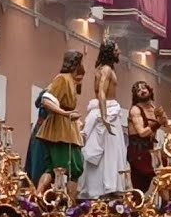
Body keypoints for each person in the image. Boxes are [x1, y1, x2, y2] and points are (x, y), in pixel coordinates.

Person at [27, 51, 86, 194]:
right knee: (74, 168)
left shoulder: (69, 81)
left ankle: (37, 196)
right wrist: (64, 113)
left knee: (53, 169)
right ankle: (68, 204)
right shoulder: (62, 79)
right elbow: (46, 99)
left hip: (67, 130)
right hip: (61, 131)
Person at [80, 40, 126, 199]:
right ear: (110, 52)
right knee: (108, 153)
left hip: (108, 111)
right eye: (117, 50)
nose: (119, 52)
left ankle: (108, 186)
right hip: (107, 112)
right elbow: (101, 92)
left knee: (111, 151)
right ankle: (107, 187)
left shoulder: (103, 69)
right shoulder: (106, 70)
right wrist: (105, 116)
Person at [127, 81, 166, 193]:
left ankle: (166, 205)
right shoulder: (135, 110)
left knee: (164, 171)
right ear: (135, 95)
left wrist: (163, 118)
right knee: (157, 174)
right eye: (138, 90)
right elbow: (142, 133)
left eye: (144, 88)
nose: (142, 91)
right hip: (138, 152)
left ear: (149, 90)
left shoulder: (153, 108)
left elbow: (166, 125)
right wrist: (158, 123)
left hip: (150, 150)